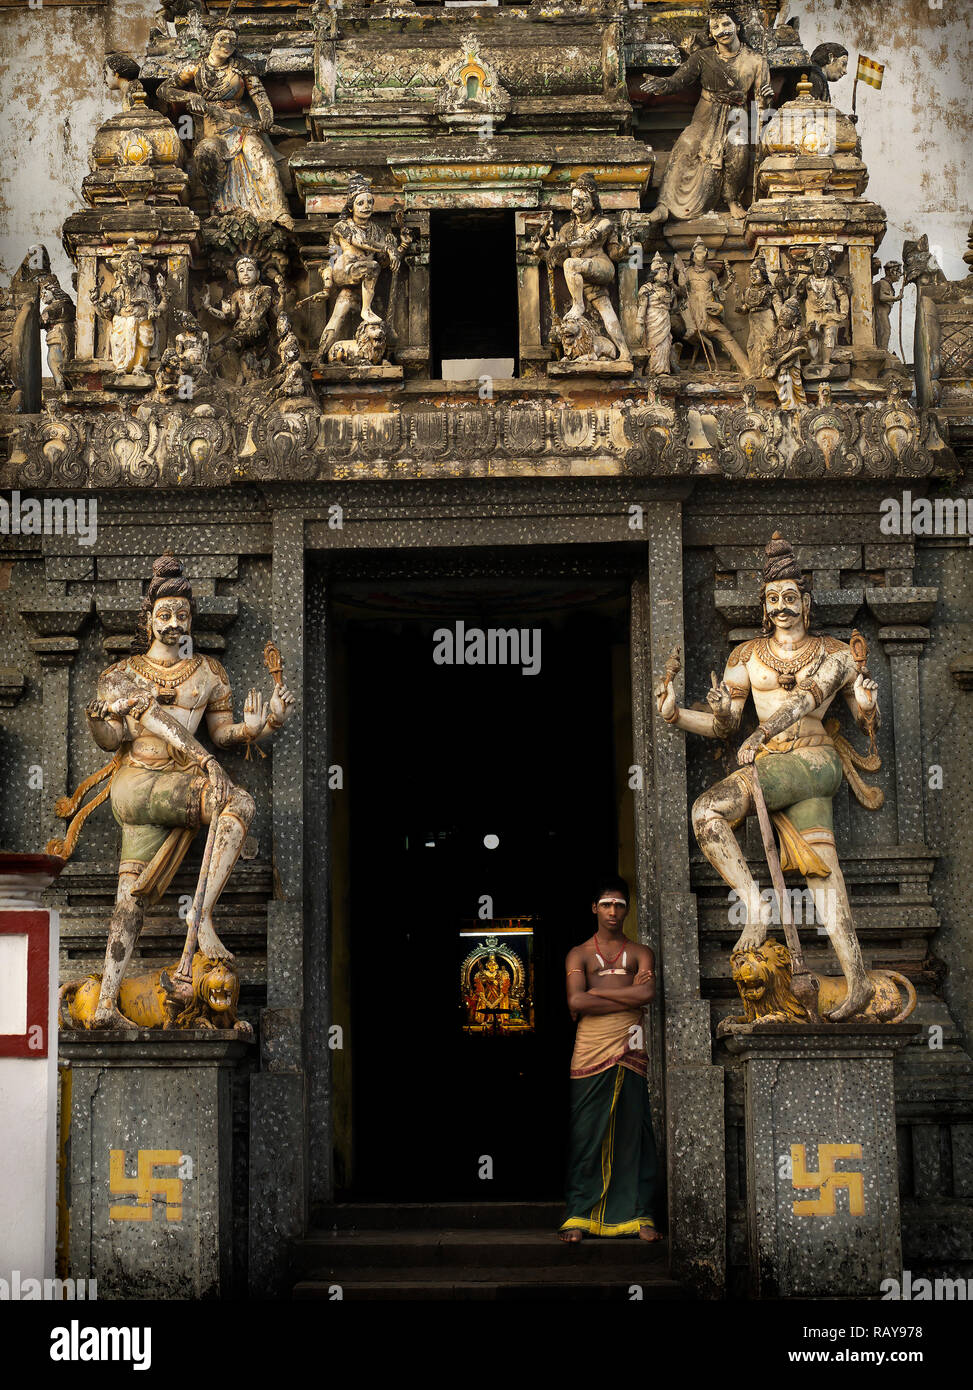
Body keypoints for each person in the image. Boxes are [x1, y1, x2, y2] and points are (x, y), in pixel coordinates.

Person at [656, 532, 880, 1020]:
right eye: (773, 599)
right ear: (764, 605)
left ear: (806, 602)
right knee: (824, 874)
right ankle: (857, 979)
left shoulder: (836, 653)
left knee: (707, 809)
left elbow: (814, 702)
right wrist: (677, 716)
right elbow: (724, 724)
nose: (782, 607)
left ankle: (757, 908)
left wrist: (865, 705)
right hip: (776, 762)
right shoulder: (746, 656)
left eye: (790, 597)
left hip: (816, 762)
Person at [80, 551, 294, 1026]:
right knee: (237, 800)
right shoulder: (122, 676)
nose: (174, 623)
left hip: (179, 784)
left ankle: (104, 1005)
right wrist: (100, 721)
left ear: (190, 619)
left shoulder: (209, 675)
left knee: (129, 897)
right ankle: (199, 917)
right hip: (137, 784)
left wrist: (261, 726)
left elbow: (220, 735)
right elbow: (112, 740)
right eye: (164, 614)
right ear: (148, 620)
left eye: (182, 615)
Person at [560, 877, 660, 1242]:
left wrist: (598, 992)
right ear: (594, 908)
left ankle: (638, 1215)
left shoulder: (641, 952)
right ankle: (579, 1215)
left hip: (630, 1047)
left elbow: (647, 994)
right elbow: (575, 1002)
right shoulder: (579, 954)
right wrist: (627, 994)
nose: (613, 911)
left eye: (619, 904)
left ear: (627, 909)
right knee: (587, 1133)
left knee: (633, 1132)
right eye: (606, 904)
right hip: (590, 1049)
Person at [640, 7, 772, 225]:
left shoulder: (757, 61)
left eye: (726, 24)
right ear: (710, 35)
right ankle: (665, 204)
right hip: (706, 111)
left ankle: (732, 199)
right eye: (716, 27)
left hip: (736, 114)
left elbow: (762, 104)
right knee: (687, 142)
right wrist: (661, 84)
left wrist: (767, 98)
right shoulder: (703, 57)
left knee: (738, 152)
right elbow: (678, 81)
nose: (722, 31)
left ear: (737, 26)